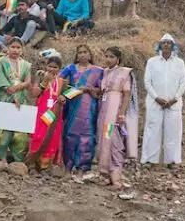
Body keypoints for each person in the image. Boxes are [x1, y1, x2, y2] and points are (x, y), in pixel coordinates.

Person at [142, 35, 185, 170]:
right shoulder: (152, 61)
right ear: (160, 45)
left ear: (173, 46)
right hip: (155, 103)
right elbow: (147, 82)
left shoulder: (179, 63)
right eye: (164, 43)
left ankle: (172, 161)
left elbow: (183, 83)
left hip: (174, 104)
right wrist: (156, 98)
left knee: (173, 131)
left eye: (169, 43)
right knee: (152, 131)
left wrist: (175, 98)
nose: (166, 45)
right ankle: (150, 160)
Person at [60, 44, 104, 177]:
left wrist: (88, 89)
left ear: (90, 54)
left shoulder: (98, 71)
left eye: (85, 52)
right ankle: (68, 167)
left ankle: (81, 168)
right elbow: (59, 80)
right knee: (69, 134)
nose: (82, 55)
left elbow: (101, 91)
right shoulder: (70, 68)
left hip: (89, 105)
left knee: (87, 135)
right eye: (79, 52)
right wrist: (61, 93)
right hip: (72, 104)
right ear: (76, 55)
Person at [96, 46, 137, 187]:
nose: (108, 59)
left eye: (111, 57)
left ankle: (116, 174)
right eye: (106, 56)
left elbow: (126, 95)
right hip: (104, 109)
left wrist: (121, 113)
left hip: (114, 108)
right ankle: (105, 173)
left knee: (114, 140)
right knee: (104, 139)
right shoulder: (105, 72)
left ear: (118, 59)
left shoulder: (124, 73)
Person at [0, 38, 33, 163]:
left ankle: (17, 159)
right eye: (13, 47)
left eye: (18, 47)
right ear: (8, 48)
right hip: (4, 97)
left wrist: (17, 88)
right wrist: (12, 94)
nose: (15, 50)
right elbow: (1, 82)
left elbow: (28, 81)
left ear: (22, 49)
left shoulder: (26, 64)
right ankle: (2, 156)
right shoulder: (1, 62)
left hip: (20, 97)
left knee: (19, 128)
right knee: (3, 128)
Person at [27, 55, 66, 171]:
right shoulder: (40, 76)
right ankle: (33, 161)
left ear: (59, 69)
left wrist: (62, 98)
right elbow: (34, 94)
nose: (52, 69)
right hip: (41, 111)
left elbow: (63, 95)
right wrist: (44, 81)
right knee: (38, 135)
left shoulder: (62, 82)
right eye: (50, 66)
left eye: (55, 67)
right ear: (46, 66)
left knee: (53, 136)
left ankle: (45, 164)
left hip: (54, 113)